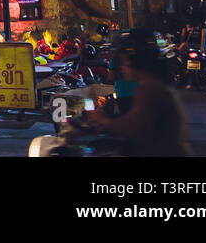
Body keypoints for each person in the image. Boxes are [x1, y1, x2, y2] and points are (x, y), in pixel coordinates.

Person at [77, 28, 191, 156]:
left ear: (137, 61)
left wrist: (103, 120)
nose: (122, 67)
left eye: (124, 61)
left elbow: (134, 128)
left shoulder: (149, 90)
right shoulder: (154, 86)